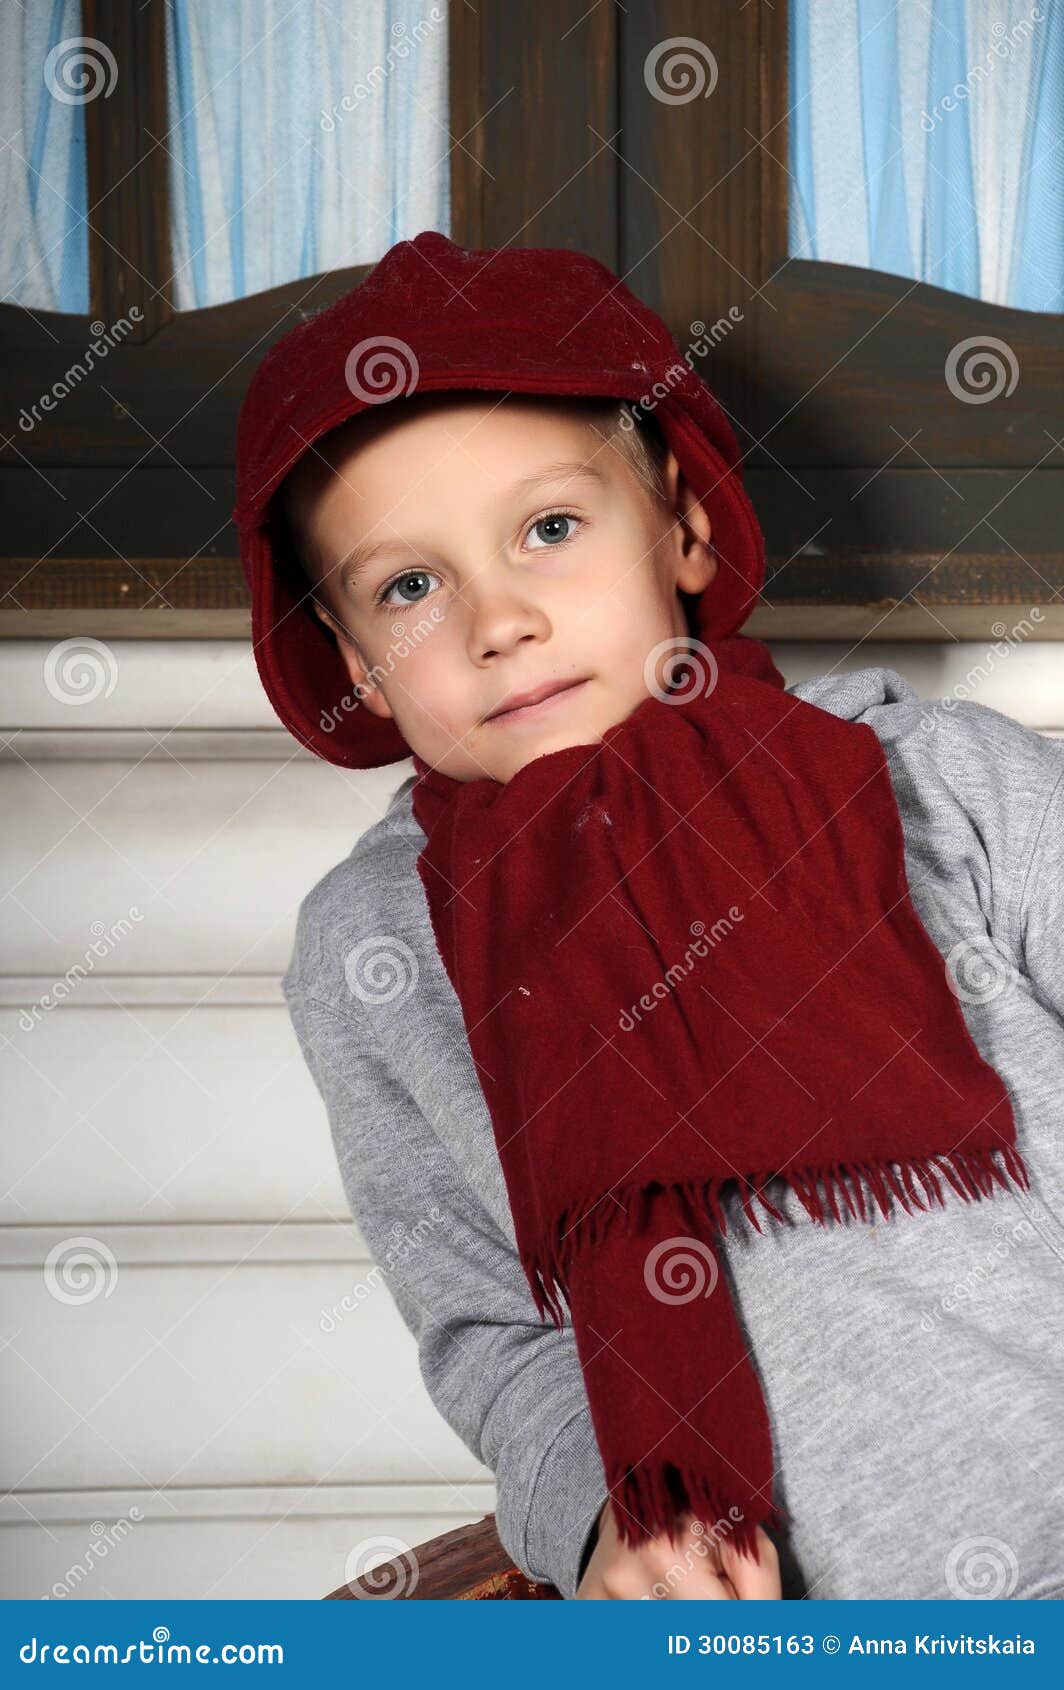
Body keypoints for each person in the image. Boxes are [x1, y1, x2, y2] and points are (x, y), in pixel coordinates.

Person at [233, 231, 1064, 1601]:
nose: (497, 619)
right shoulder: (374, 953)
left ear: (678, 524)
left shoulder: (939, 782)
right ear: (352, 661)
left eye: (550, 530)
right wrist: (598, 1527)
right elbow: (492, 1332)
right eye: (411, 586)